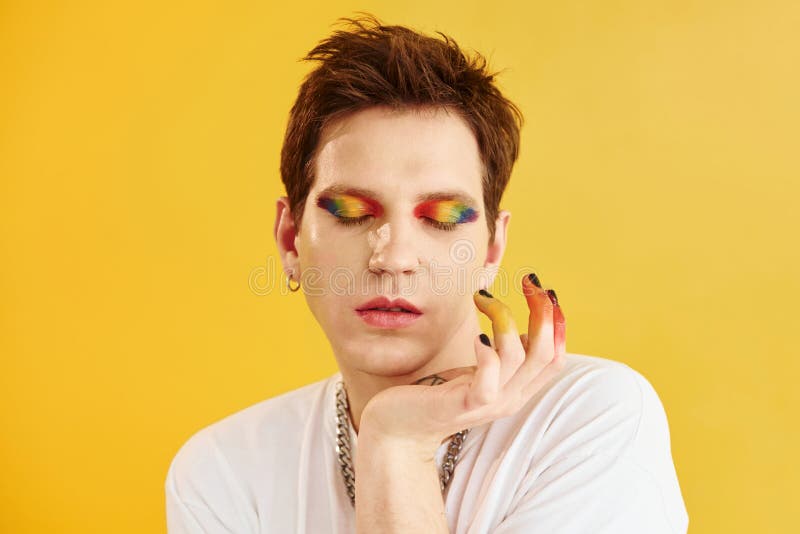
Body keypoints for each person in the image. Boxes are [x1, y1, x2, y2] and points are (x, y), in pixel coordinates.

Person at [165, 14, 689, 533]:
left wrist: (396, 444)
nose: (394, 257)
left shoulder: (592, 418)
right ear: (289, 239)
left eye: (442, 218)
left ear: (492, 248)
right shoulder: (223, 473)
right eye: (351, 212)